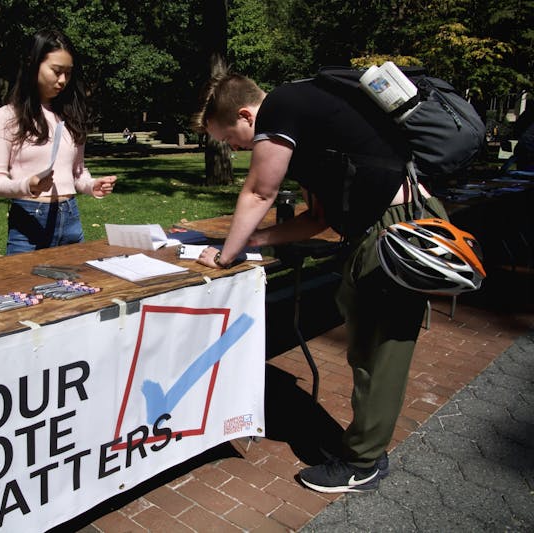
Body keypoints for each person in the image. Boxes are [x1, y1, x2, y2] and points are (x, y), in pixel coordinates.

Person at [192, 71, 450, 493]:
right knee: (369, 348)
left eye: (232, 139)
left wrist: (225, 255)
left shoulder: (281, 107)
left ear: (246, 113)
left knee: (380, 355)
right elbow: (319, 219)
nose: (237, 150)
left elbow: (260, 191)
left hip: (396, 231)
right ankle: (363, 450)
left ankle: (363, 464)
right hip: (387, 228)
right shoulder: (307, 121)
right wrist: (257, 239)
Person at [0, 29, 117, 255]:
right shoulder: (7, 116)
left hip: (70, 217)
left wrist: (91, 185)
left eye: (68, 73)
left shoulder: (71, 117)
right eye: (56, 71)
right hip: (29, 220)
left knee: (75, 287)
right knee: (24, 287)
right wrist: (27, 185)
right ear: (33, 65)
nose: (63, 80)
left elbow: (77, 173)